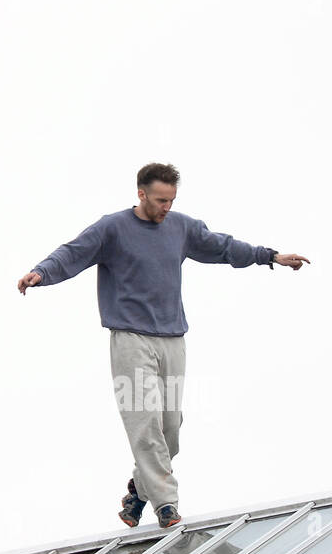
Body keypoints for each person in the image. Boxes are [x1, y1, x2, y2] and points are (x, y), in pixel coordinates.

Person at [17, 162, 310, 529]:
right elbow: (72, 252)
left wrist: (270, 256)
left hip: (172, 339)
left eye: (171, 200)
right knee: (145, 422)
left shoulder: (181, 227)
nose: (165, 208)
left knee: (170, 428)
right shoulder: (114, 228)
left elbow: (223, 247)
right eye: (159, 200)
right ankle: (166, 504)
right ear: (141, 194)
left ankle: (139, 491)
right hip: (130, 339)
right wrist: (42, 273)